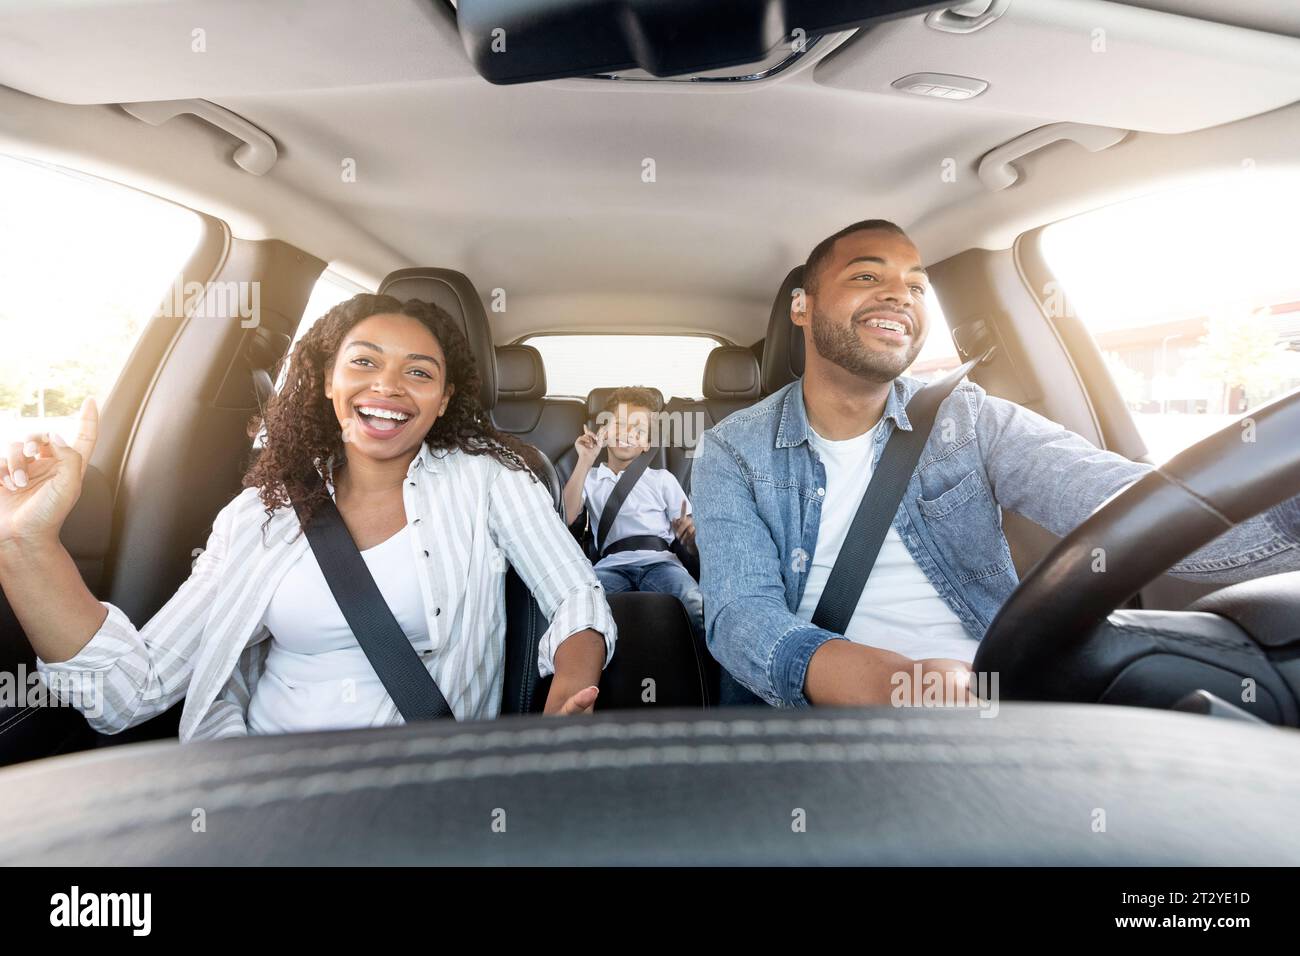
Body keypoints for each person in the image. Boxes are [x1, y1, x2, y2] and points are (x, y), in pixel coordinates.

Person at [691, 218, 1300, 708]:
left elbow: (1122, 499)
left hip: (998, 693)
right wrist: (897, 685)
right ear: (802, 306)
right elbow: (740, 613)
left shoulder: (969, 417)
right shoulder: (731, 448)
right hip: (817, 713)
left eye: (916, 285)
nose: (899, 295)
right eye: (867, 275)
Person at [0, 294, 616, 741]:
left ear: (445, 398)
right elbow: (128, 693)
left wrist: (567, 696)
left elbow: (574, 592)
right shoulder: (256, 516)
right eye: (364, 363)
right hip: (258, 799)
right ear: (327, 378)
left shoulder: (490, 478)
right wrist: (27, 547)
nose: (390, 387)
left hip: (422, 796)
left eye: (419, 372)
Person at [562, 387, 704, 646]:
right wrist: (585, 461)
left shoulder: (661, 479)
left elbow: (691, 536)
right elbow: (568, 517)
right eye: (620, 424)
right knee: (583, 610)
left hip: (661, 563)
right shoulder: (591, 479)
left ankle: (704, 676)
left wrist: (690, 535)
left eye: (638, 430)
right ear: (604, 430)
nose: (628, 434)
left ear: (647, 444)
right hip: (610, 566)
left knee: (692, 601)